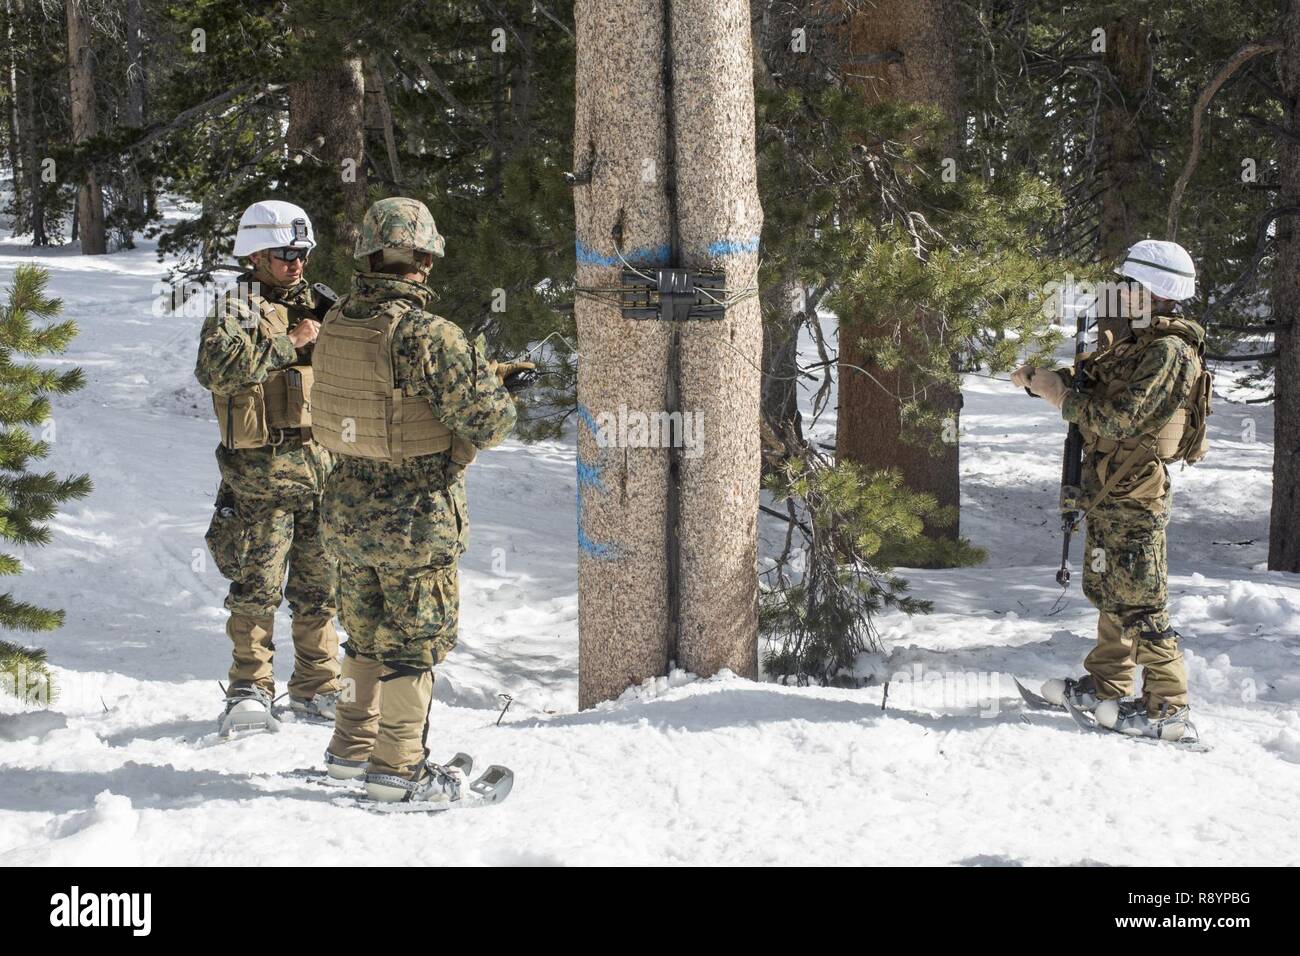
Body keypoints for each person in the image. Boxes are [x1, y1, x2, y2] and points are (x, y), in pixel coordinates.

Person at [310, 197, 523, 802]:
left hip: (345, 512)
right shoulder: (433, 333)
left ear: (369, 255)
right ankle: (400, 768)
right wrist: (497, 388)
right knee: (414, 643)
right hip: (414, 519)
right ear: (425, 258)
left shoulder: (337, 322)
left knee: (364, 638)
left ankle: (350, 751)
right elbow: (487, 423)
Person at [1013, 239, 1210, 742]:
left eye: (1129, 286)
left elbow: (1120, 418)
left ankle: (1169, 708)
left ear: (1155, 291)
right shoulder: (1138, 340)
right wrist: (1049, 379)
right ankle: (1106, 685)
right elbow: (1095, 386)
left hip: (1135, 494)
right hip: (1108, 489)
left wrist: (1061, 397)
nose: (1120, 293)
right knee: (1109, 592)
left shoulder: (1169, 350)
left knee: (1142, 601)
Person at [196, 200, 341, 736]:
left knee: (320, 586)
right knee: (256, 586)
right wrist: (291, 342)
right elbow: (215, 368)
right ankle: (249, 689)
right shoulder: (238, 306)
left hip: (320, 469)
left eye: (301, 252)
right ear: (254, 253)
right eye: (283, 253)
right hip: (260, 476)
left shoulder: (327, 306)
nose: (295, 262)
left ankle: (317, 687)